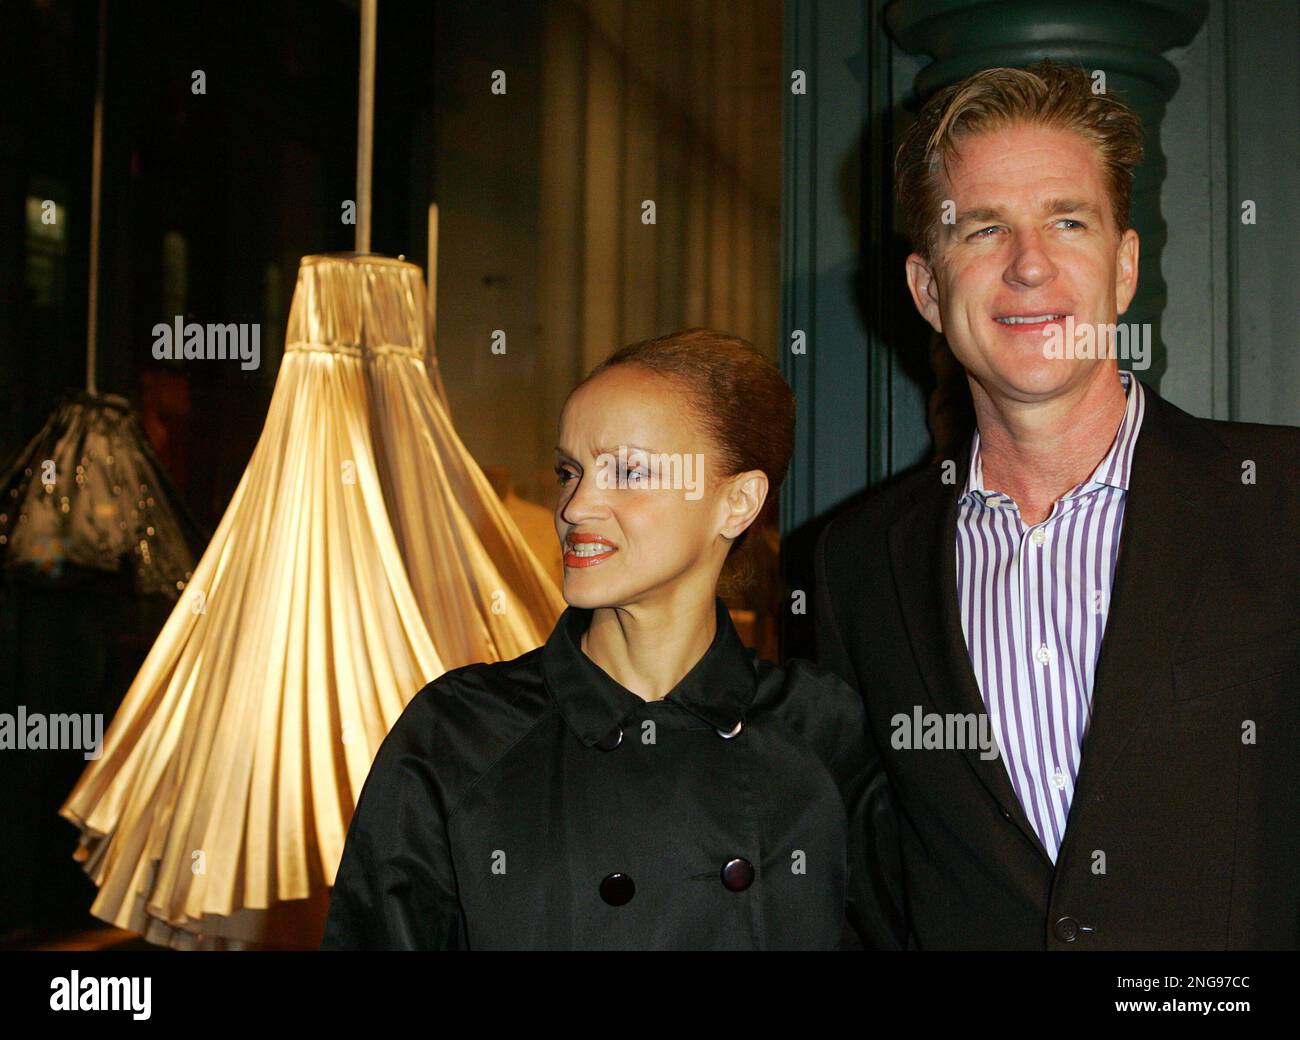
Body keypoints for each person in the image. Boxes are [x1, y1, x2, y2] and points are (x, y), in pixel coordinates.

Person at [815, 61, 1299, 949]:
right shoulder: (852, 568)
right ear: (928, 290)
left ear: (1123, 270)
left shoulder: (1283, 504)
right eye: (983, 228)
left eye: (1067, 222)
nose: (1030, 264)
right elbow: (867, 885)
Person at [321, 328, 903, 950]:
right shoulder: (459, 733)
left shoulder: (822, 730)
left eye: (627, 470)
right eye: (570, 471)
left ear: (737, 503)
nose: (576, 506)